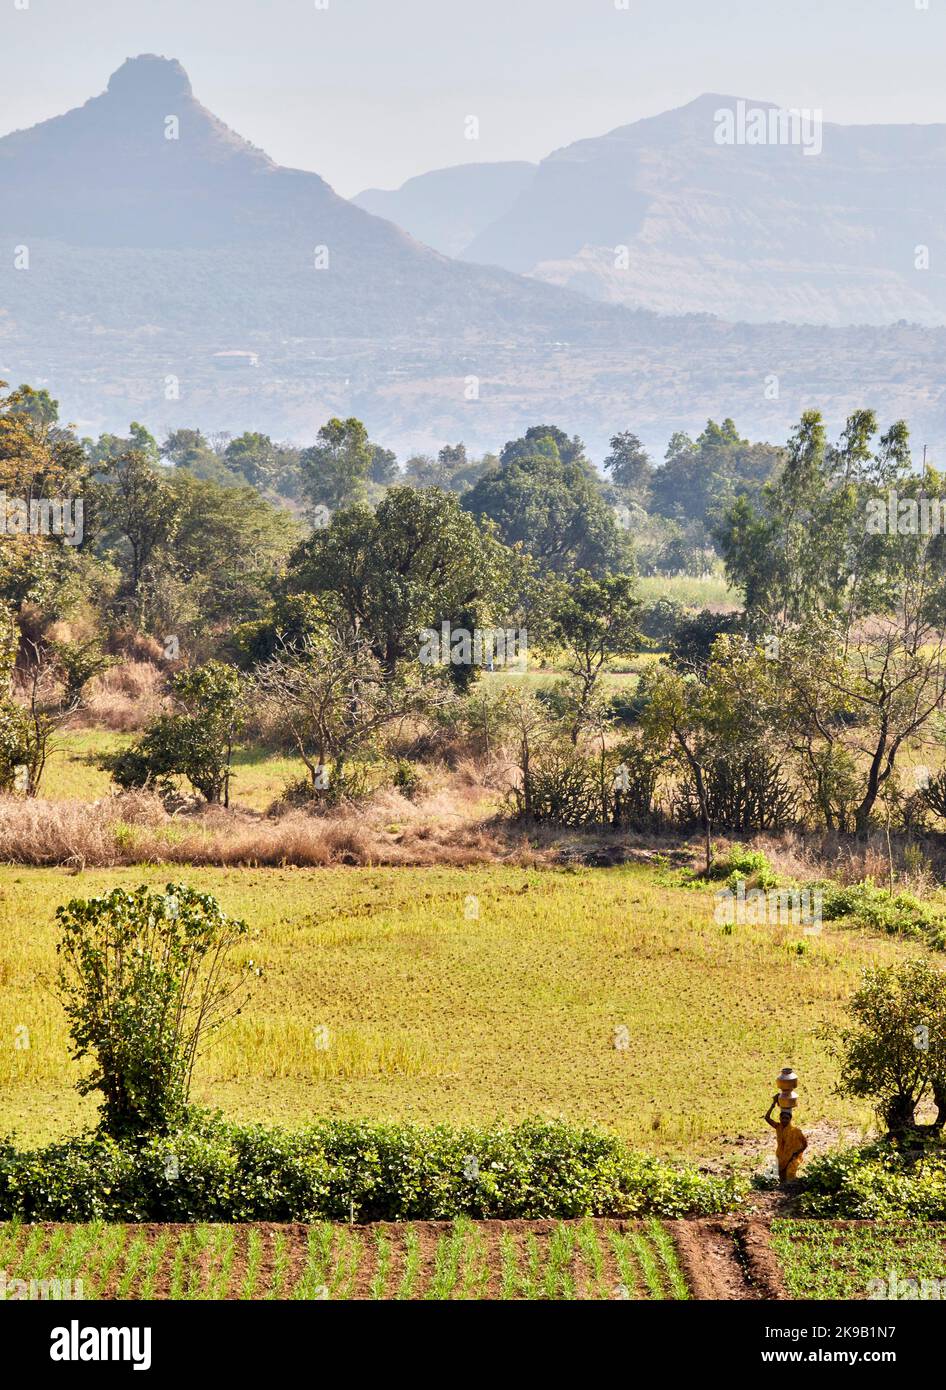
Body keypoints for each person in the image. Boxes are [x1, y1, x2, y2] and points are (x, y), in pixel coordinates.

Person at [764, 1094, 808, 1182]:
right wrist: (773, 1104)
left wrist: (796, 1154)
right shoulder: (778, 1126)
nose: (784, 1120)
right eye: (783, 1118)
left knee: (790, 1175)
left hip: (792, 1158)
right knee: (781, 1177)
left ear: (790, 1119)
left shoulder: (796, 1131)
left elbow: (805, 1144)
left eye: (787, 1118)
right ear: (780, 1118)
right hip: (780, 1156)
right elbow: (767, 1118)